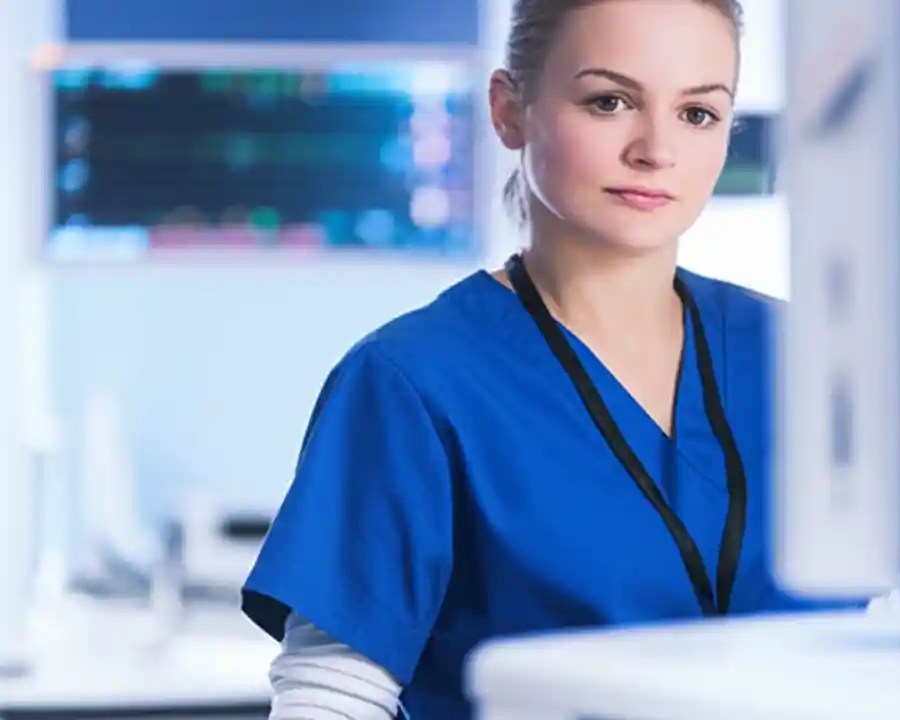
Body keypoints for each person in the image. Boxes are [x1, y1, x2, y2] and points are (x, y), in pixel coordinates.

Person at [242, 1, 862, 717]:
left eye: (698, 114)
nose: (656, 149)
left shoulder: (807, 359)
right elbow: (333, 699)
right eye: (610, 101)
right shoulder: (414, 383)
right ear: (510, 109)